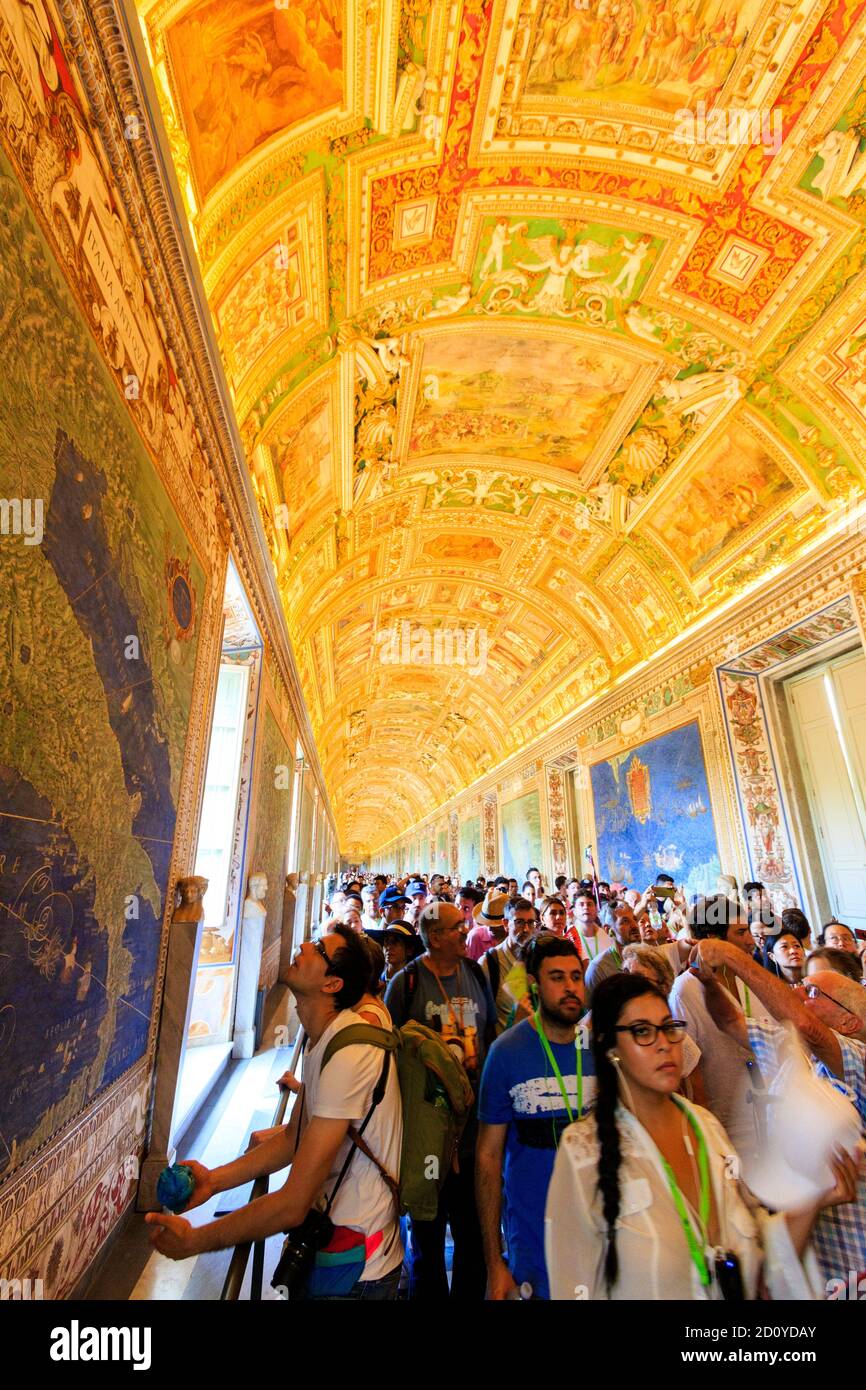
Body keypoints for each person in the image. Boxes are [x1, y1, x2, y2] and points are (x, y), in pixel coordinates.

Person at [544, 973, 856, 1300]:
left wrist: (815, 1198)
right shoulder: (584, 1149)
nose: (664, 1043)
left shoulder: (705, 1127)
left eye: (668, 1027)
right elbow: (571, 1280)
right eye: (642, 1032)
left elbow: (760, 1254)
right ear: (610, 1047)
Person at [145, 926, 404, 1298]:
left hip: (358, 1268)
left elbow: (292, 1205)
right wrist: (213, 1180)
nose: (303, 945)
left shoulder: (350, 1053)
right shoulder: (326, 1039)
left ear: (332, 984)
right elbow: (290, 1139)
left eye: (318, 948)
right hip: (329, 1250)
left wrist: (196, 1241)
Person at [689, 936, 866, 1290]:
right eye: (800, 986)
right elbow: (728, 1020)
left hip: (858, 1259)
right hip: (814, 1255)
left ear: (848, 1022)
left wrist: (733, 957)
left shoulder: (856, 1059)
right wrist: (709, 983)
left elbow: (808, 1027)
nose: (797, 995)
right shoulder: (789, 1048)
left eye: (813, 993)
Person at [384, 902, 496, 1299]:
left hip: (471, 1137)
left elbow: (490, 1037)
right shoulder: (406, 984)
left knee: (473, 1238)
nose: (465, 931)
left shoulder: (475, 975)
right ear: (434, 937)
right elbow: (388, 1055)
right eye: (456, 927)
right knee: (427, 1242)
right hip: (426, 1138)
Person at [477, 936, 596, 1300]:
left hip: (597, 1240)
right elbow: (488, 1157)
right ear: (534, 985)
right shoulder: (506, 1053)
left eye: (576, 977)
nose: (570, 987)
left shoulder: (599, 1051)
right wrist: (494, 1263)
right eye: (557, 978)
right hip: (533, 1244)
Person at [669, 894, 768, 1164]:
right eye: (741, 932)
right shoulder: (686, 990)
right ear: (713, 939)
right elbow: (689, 1071)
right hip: (728, 1125)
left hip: (772, 1116)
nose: (751, 940)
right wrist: (708, 1137)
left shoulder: (753, 976)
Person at [480, 896, 537, 1032]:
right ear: (505, 924)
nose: (526, 929)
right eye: (519, 922)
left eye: (531, 923)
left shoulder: (539, 959)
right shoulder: (489, 963)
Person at [583, 904, 642, 1005]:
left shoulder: (646, 958)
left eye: (635, 919)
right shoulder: (598, 968)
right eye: (625, 921)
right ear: (609, 930)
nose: (634, 926)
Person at [567, 889, 611, 962]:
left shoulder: (605, 936)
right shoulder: (570, 938)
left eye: (589, 904)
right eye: (581, 904)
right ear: (574, 911)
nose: (586, 907)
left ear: (596, 909)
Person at [466, 890, 509, 961]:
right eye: (487, 923)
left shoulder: (514, 936)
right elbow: (465, 967)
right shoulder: (474, 937)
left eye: (495, 926)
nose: (490, 929)